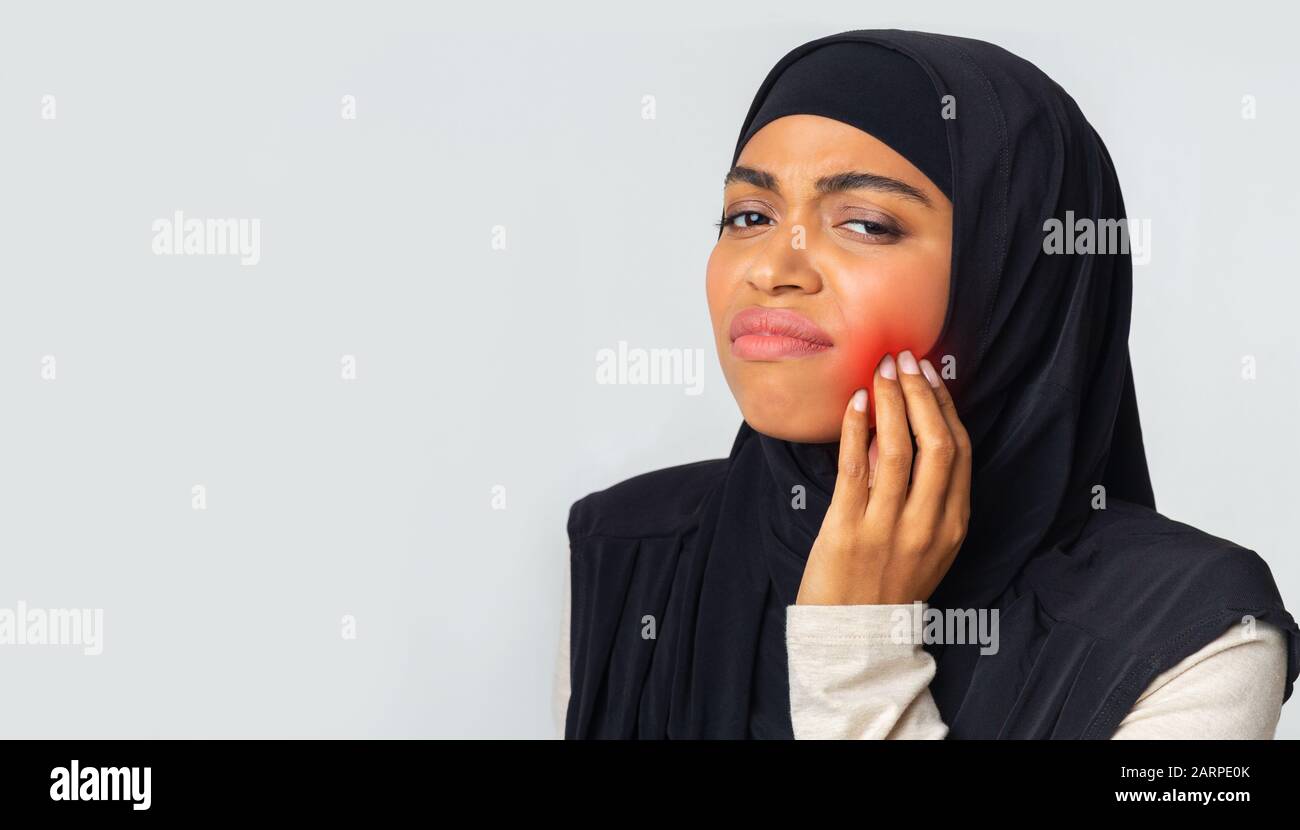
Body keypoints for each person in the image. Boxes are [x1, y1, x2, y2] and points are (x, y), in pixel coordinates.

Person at [555, 29, 1298, 739]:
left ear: (1009, 277)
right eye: (749, 214)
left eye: (867, 223)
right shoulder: (627, 550)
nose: (773, 266)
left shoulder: (1200, 632)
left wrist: (855, 654)